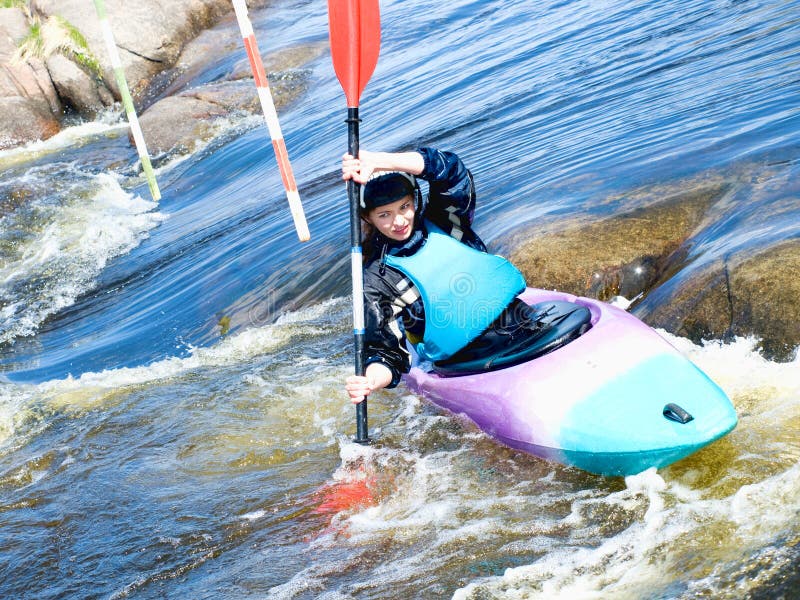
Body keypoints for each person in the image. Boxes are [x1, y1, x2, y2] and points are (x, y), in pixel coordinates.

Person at [342, 147, 551, 403]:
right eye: (384, 215)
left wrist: (381, 161)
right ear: (368, 217)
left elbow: (452, 172)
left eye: (404, 207)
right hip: (465, 361)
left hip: (520, 321)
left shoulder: (445, 221)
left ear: (415, 199)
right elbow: (384, 354)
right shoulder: (376, 280)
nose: (399, 221)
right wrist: (370, 380)